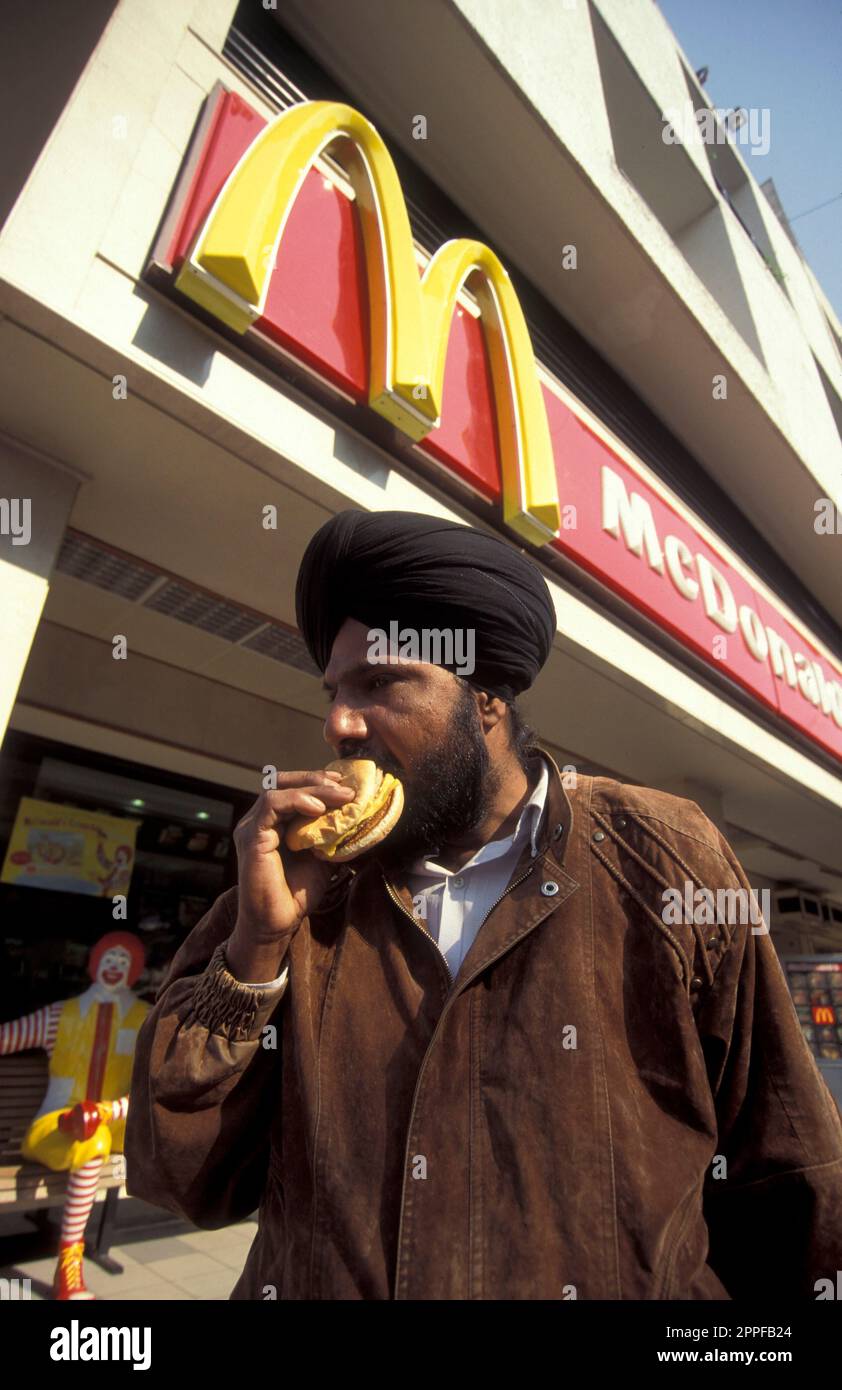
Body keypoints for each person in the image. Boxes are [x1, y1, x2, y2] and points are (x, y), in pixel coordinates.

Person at [124, 509, 842, 1300]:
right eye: (333, 691)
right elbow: (179, 1180)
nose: (338, 724)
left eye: (380, 682)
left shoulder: (666, 855)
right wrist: (254, 951)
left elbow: (790, 1171)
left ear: (488, 695)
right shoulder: (302, 889)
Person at [0, 931, 149, 1299]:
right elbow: (6, 1037)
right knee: (91, 1141)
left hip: (117, 1128)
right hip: (54, 1127)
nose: (115, 966)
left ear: (134, 971)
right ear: (94, 964)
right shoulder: (59, 1016)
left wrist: (109, 1110)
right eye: (109, 958)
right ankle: (69, 1262)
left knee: (103, 1134)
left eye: (124, 961)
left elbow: (158, 1085)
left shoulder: (145, 1021)